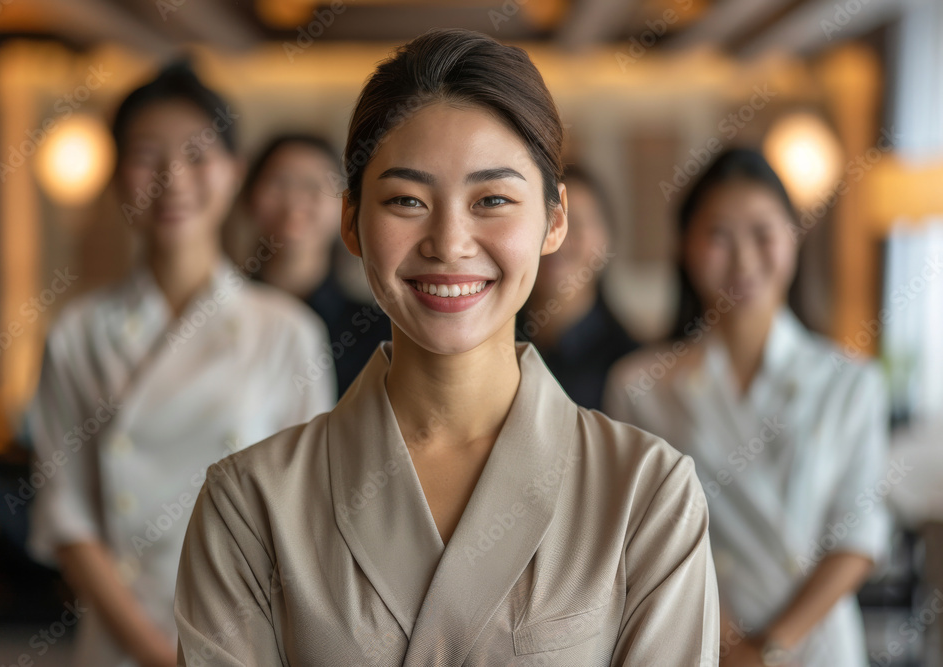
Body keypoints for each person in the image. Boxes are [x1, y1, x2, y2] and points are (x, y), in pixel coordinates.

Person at [174, 29, 719, 666]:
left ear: (555, 220)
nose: (449, 242)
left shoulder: (647, 494)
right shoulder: (250, 503)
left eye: (493, 200)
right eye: (407, 200)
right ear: (351, 220)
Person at [25, 63, 335, 667]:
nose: (172, 178)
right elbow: (67, 517)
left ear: (234, 172)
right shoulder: (76, 333)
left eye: (196, 155)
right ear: (116, 178)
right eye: (147, 157)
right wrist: (159, 654)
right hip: (120, 643)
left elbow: (309, 515)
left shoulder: (287, 332)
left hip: (247, 639)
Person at [605, 148, 890, 666]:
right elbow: (639, 535)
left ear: (794, 238)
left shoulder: (851, 382)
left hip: (817, 644)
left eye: (762, 233)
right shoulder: (640, 385)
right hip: (697, 638)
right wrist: (728, 645)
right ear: (684, 245)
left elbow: (858, 535)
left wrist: (768, 649)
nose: (742, 259)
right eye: (718, 235)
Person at [243, 133, 393, 396]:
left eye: (313, 186)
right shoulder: (224, 310)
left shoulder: (377, 330)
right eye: (279, 183)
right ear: (250, 195)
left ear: (345, 208)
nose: (294, 201)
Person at [517, 164, 638, 409]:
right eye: (543, 221)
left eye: (574, 223)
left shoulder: (631, 366)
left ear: (607, 239)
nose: (555, 238)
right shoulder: (489, 347)